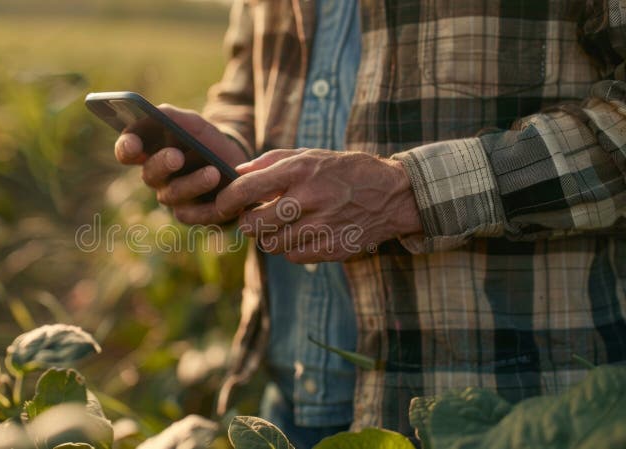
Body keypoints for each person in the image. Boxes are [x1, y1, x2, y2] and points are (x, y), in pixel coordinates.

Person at [113, 0, 626, 446]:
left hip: (506, 409)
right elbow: (249, 85)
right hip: (289, 403)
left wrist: (409, 191)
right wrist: (231, 154)